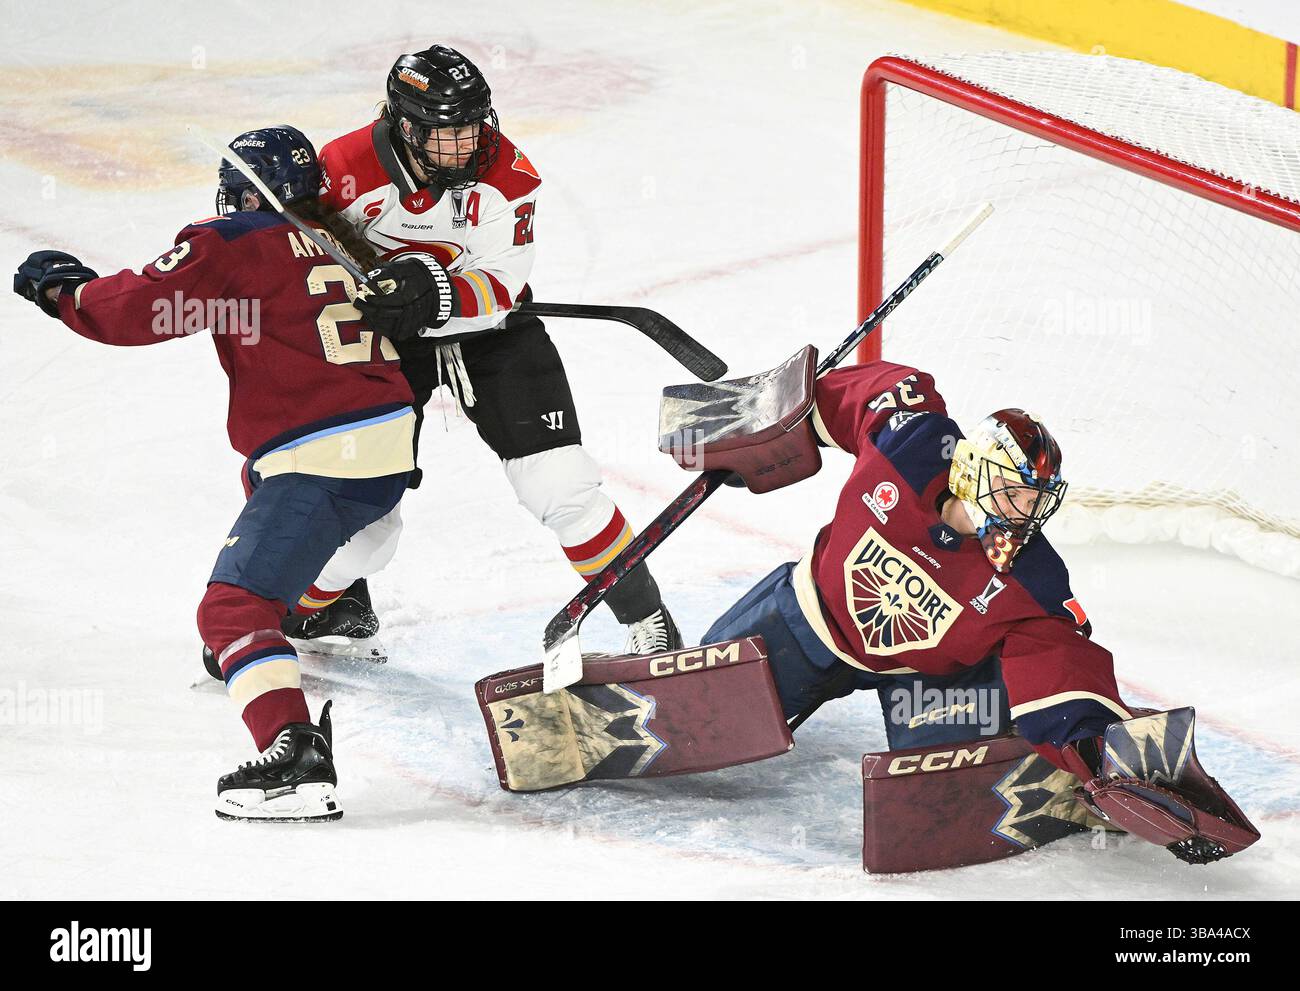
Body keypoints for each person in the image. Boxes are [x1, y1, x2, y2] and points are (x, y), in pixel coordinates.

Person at [13, 125, 415, 821]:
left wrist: (66, 294)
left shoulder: (234, 239)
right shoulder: (343, 242)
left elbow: (142, 309)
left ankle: (294, 757)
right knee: (275, 499)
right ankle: (332, 602)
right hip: (387, 448)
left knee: (229, 610)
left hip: (320, 451)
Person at [298, 44, 682, 658]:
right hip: (391, 348)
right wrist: (361, 297)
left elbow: (502, 287)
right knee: (369, 521)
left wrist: (434, 292)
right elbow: (307, 265)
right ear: (405, 125)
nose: (467, 144)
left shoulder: (508, 173)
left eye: (473, 126)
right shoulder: (342, 167)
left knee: (562, 486)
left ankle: (650, 624)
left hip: (493, 336)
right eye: (447, 133)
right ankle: (302, 609)